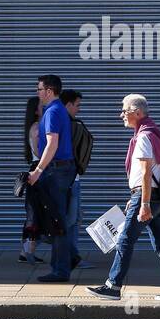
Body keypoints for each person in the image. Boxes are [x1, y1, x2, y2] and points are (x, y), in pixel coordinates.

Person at [86, 94, 160, 301]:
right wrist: (136, 196)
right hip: (153, 197)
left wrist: (143, 203)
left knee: (125, 240)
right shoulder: (153, 132)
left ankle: (113, 286)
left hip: (149, 198)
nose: (121, 115)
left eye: (124, 110)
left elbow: (146, 172)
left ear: (137, 112)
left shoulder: (143, 137)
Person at [29, 75, 78, 283]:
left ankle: (61, 270)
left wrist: (38, 170)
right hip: (61, 170)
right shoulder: (58, 110)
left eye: (39, 89)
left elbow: (52, 144)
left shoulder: (53, 111)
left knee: (57, 221)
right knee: (56, 220)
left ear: (49, 91)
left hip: (56, 171)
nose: (38, 93)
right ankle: (68, 259)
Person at [62, 89, 93, 271]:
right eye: (77, 105)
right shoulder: (66, 126)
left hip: (74, 179)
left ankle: (71, 256)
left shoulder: (71, 124)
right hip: (69, 180)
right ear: (68, 105)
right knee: (70, 219)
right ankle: (67, 257)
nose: (79, 109)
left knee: (75, 219)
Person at [19, 95, 50, 263]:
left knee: (33, 211)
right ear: (36, 110)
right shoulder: (37, 127)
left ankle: (25, 251)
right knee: (35, 212)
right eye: (40, 105)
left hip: (34, 169)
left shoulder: (31, 126)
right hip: (38, 170)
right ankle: (28, 251)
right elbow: (40, 153)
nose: (43, 107)